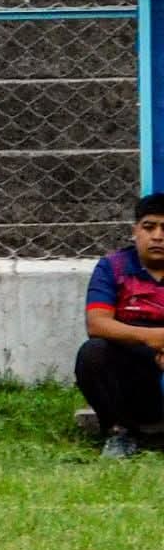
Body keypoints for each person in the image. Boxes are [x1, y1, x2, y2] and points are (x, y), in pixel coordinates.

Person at [76, 191, 164, 459]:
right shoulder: (112, 267)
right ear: (135, 231)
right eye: (149, 227)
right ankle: (121, 433)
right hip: (134, 365)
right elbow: (97, 324)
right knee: (93, 353)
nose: (158, 236)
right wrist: (153, 338)